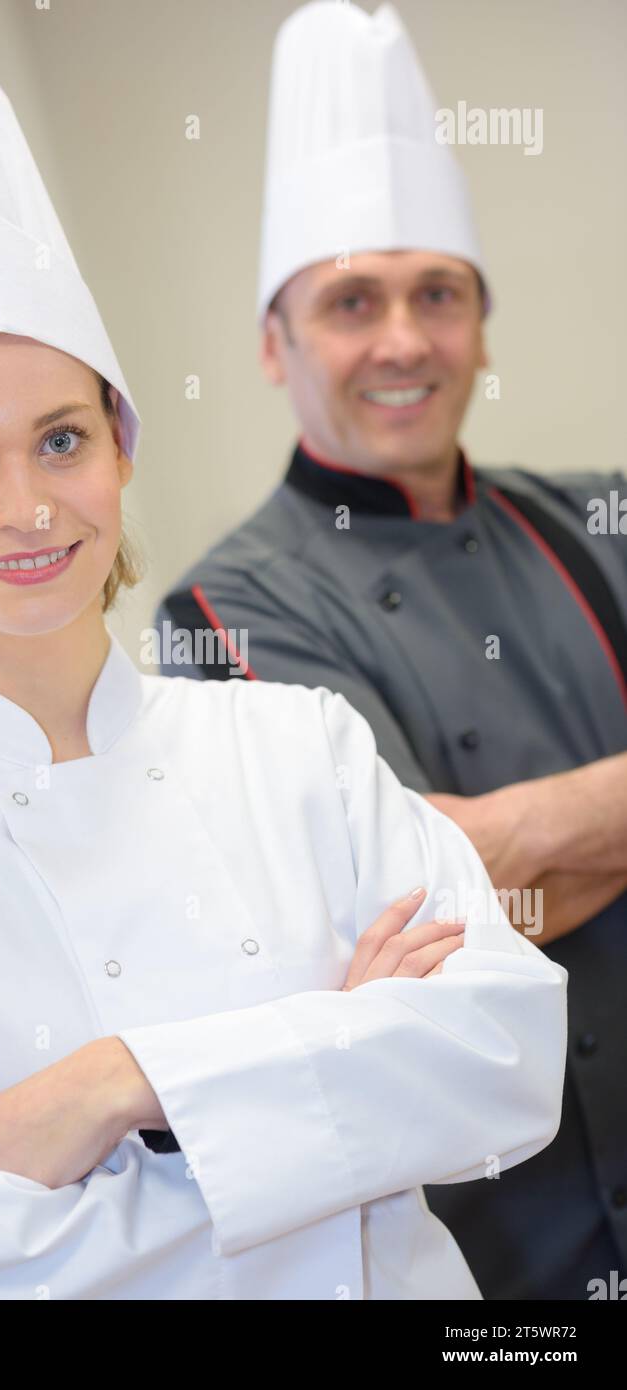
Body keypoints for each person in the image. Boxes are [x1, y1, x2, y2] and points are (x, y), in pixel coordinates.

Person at [0, 76, 566, 1302]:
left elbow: (503, 1060)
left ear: (124, 442)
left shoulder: (304, 744)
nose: (26, 504)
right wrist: (339, 1055)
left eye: (63, 438)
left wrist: (110, 1085)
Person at [156, 1, 627, 1300]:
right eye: (349, 301)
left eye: (437, 293)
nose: (403, 339)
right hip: (491, 1254)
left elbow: (480, 867)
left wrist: (518, 843)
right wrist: (462, 861)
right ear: (272, 343)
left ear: (480, 320)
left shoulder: (600, 518)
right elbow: (413, 899)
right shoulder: (220, 611)